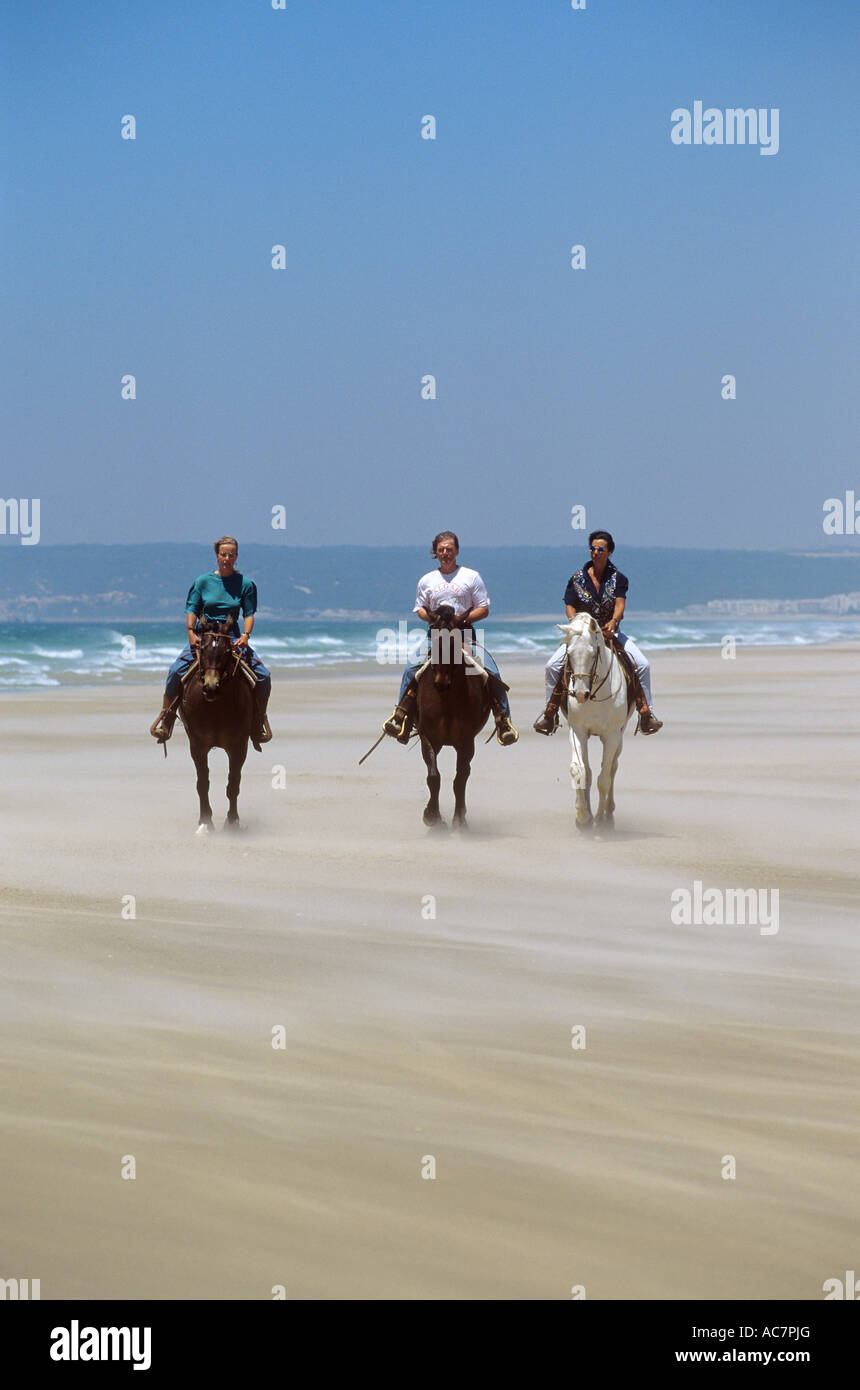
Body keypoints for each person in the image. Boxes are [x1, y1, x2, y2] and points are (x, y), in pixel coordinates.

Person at [382, 531, 518, 746]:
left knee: (490, 671)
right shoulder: (427, 580)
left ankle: (504, 721)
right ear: (435, 553)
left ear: (457, 551)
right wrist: (437, 621)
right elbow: (420, 610)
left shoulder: (471, 576)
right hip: (434, 635)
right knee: (410, 668)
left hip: (464, 635)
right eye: (441, 550)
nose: (445, 553)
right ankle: (401, 717)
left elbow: (483, 609)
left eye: (449, 549)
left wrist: (456, 622)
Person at [533, 530, 663, 736]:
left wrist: (613, 621)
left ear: (609, 552)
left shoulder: (618, 578)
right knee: (552, 666)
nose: (595, 552)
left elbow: (620, 604)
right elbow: (569, 605)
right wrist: (574, 622)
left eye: (600, 549)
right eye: (592, 548)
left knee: (642, 665)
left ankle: (646, 713)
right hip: (582, 634)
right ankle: (550, 713)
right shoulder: (577, 578)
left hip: (609, 632)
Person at [151, 535, 272, 749]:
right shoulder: (202, 582)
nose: (227, 558)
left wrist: (245, 636)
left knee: (263, 676)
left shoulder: (245, 584)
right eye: (223, 554)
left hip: (231, 637)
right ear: (217, 556)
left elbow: (249, 613)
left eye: (231, 555)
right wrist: (190, 632)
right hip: (204, 635)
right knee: (175, 671)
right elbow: (192, 609)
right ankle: (167, 719)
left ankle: (258, 722)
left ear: (236, 557)